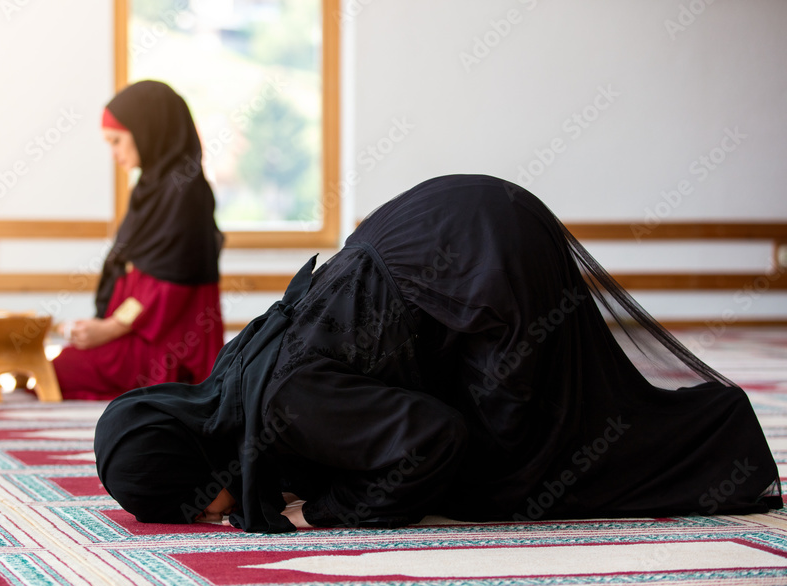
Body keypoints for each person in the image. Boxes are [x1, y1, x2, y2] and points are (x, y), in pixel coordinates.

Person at [93, 174, 782, 532]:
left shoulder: (284, 401)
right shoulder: (236, 382)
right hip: (442, 226)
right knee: (553, 424)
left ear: (191, 462)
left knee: (515, 471)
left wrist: (327, 509)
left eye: (191, 503)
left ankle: (721, 441)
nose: (209, 513)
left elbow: (430, 437)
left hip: (476, 265)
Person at [52, 81, 225, 400]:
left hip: (167, 342)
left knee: (57, 373)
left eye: (117, 141)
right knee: (52, 368)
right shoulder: (152, 187)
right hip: (136, 329)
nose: (114, 154)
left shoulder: (184, 193)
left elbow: (168, 288)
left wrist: (108, 329)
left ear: (148, 131)